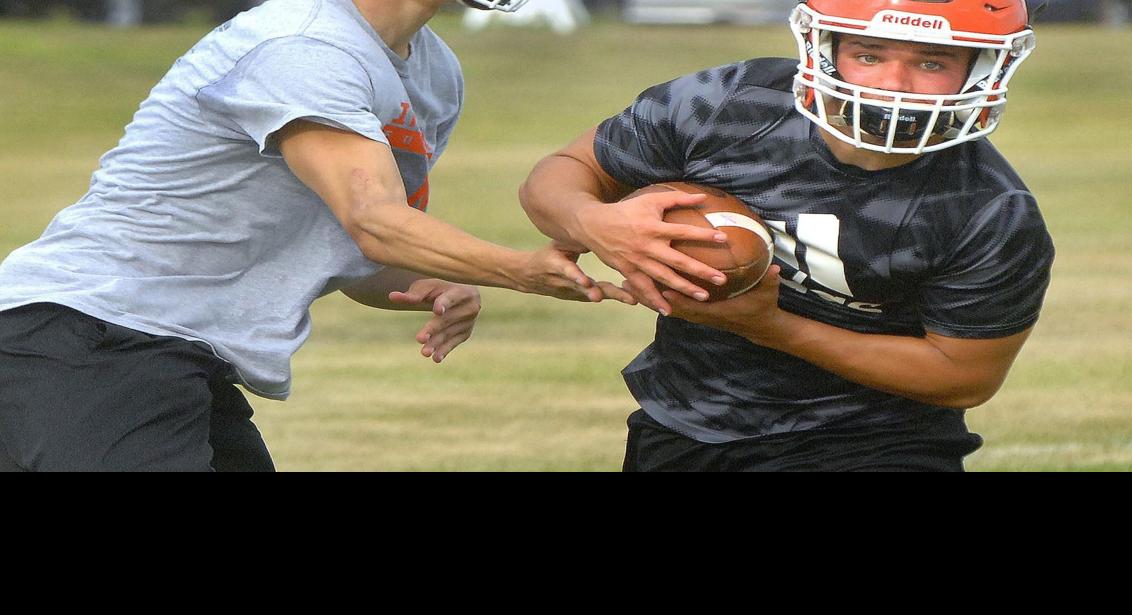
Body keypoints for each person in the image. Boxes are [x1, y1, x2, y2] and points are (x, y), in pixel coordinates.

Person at [0, 0, 682, 472]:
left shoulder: (433, 75)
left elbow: (357, 251)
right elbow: (374, 221)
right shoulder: (302, 45)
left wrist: (434, 280)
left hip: (168, 354)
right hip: (84, 336)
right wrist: (518, 270)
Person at [520, 0, 1054, 472]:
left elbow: (963, 377)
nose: (893, 83)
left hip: (874, 440)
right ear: (825, 48)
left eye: (931, 63)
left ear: (981, 69)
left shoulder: (990, 210)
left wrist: (773, 326)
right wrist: (596, 223)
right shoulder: (730, 103)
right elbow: (562, 173)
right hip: (687, 419)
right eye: (868, 55)